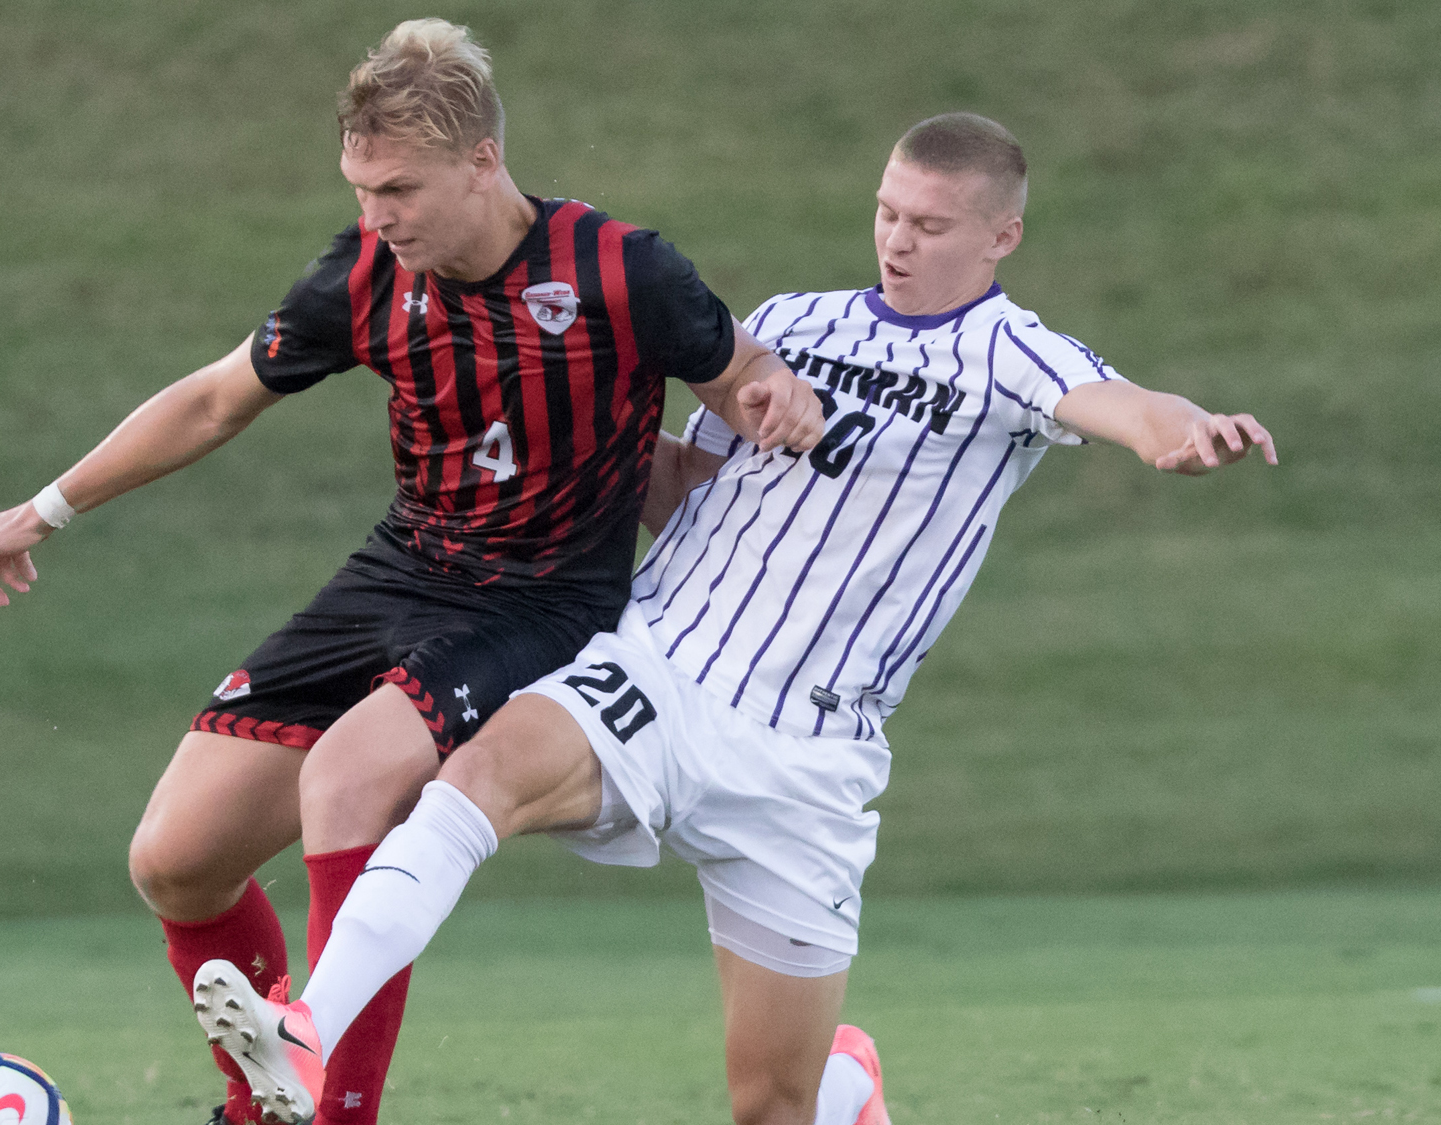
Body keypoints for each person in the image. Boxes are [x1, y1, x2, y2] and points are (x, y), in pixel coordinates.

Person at [187, 111, 1279, 1125]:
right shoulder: (791, 326)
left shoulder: (1005, 354)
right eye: (887, 212)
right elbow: (680, 487)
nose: (898, 241)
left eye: (931, 225)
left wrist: (1179, 432)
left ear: (1002, 235)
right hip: (664, 671)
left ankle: (846, 1082)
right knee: (478, 775)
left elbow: (1126, 403)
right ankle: (310, 1032)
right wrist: (554, 415)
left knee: (771, 1103)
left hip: (811, 757)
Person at [0, 20, 822, 1125]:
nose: (377, 215)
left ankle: (336, 1108)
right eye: (361, 188)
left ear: (482, 162)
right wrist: (44, 508)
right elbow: (217, 398)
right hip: (401, 570)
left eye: (398, 189)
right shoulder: (364, 275)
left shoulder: (619, 269)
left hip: (541, 600)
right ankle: (257, 1104)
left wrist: (770, 390)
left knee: (349, 779)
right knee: (174, 860)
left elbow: (737, 367)